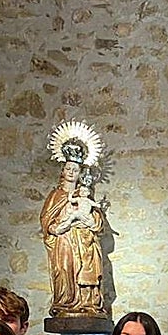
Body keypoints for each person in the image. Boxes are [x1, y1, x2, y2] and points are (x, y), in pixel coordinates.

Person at [40, 125, 107, 319]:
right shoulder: (56, 195)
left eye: (75, 170)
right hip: (63, 241)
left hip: (84, 241)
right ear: (63, 170)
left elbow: (97, 222)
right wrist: (57, 227)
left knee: (85, 272)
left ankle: (87, 304)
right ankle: (65, 303)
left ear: (80, 173)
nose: (71, 172)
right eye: (68, 168)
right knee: (64, 269)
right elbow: (46, 220)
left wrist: (90, 220)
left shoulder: (84, 195)